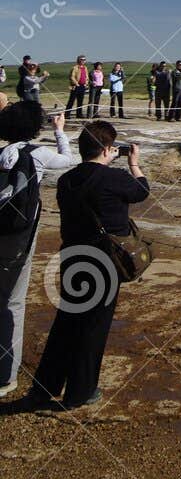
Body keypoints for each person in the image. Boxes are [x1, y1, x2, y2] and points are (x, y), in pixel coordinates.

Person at [28, 122, 149, 411]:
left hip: (73, 254)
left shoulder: (66, 180)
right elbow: (141, 191)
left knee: (67, 321)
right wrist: (135, 164)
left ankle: (45, 385)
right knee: (94, 326)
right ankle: (80, 392)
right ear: (108, 149)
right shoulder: (114, 177)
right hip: (104, 260)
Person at [0, 102, 77, 397]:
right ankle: (6, 375)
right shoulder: (36, 154)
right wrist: (60, 132)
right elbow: (68, 160)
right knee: (13, 303)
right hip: (18, 238)